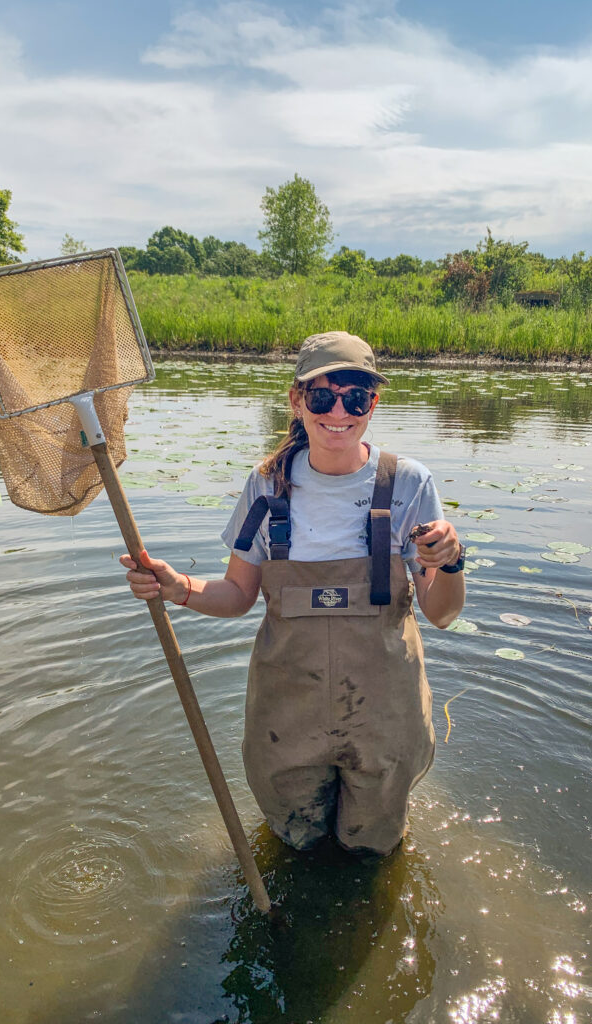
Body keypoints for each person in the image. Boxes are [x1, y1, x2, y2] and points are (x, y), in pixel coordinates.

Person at [121, 332, 465, 856]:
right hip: (287, 717)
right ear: (297, 400)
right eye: (323, 397)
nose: (339, 414)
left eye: (356, 398)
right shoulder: (266, 485)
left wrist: (451, 562)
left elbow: (443, 614)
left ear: (373, 403)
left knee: (370, 850)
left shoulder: (408, 484)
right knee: (293, 846)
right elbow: (238, 594)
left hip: (384, 717)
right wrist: (179, 588)